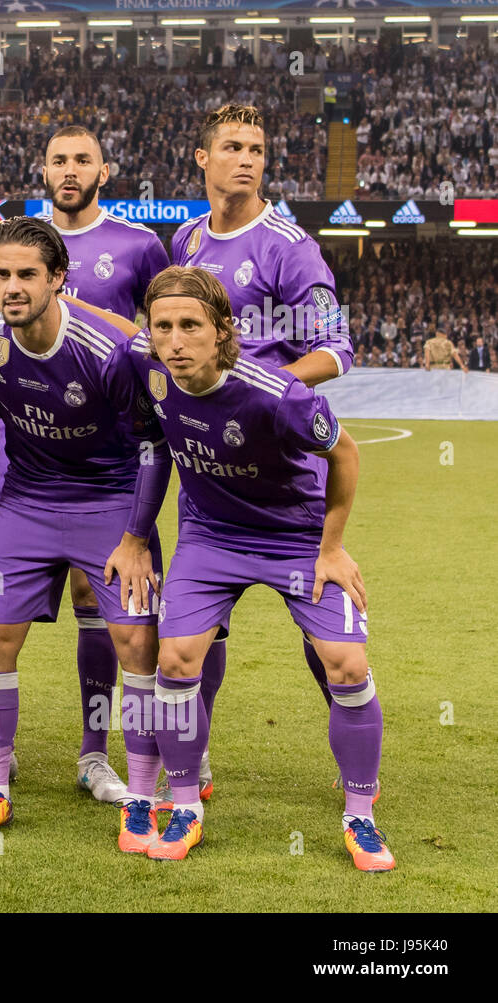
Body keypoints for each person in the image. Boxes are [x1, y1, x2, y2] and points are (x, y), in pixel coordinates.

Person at [126, 265, 392, 871]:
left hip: (295, 537)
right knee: (175, 659)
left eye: (190, 326)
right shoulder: (148, 371)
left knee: (347, 665)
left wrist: (332, 547)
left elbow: (344, 453)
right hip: (210, 536)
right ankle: (187, 806)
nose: (174, 341)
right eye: (162, 327)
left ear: (222, 331)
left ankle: (360, 815)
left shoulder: (279, 394)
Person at [0, 217, 170, 840]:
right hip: (28, 501)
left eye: (26, 275)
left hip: (111, 504)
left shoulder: (105, 351)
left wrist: (136, 539)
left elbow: (154, 447)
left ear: (59, 279)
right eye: (1, 274)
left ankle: (142, 797)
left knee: (139, 647)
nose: (10, 287)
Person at [170, 103, 355, 804]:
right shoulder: (185, 239)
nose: (245, 158)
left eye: (256, 147)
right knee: (198, 631)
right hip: (208, 476)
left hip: (286, 475)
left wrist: (257, 386)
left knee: (324, 636)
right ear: (203, 158)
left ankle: (352, 757)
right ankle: (199, 760)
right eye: (231, 146)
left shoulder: (288, 246)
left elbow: (336, 349)